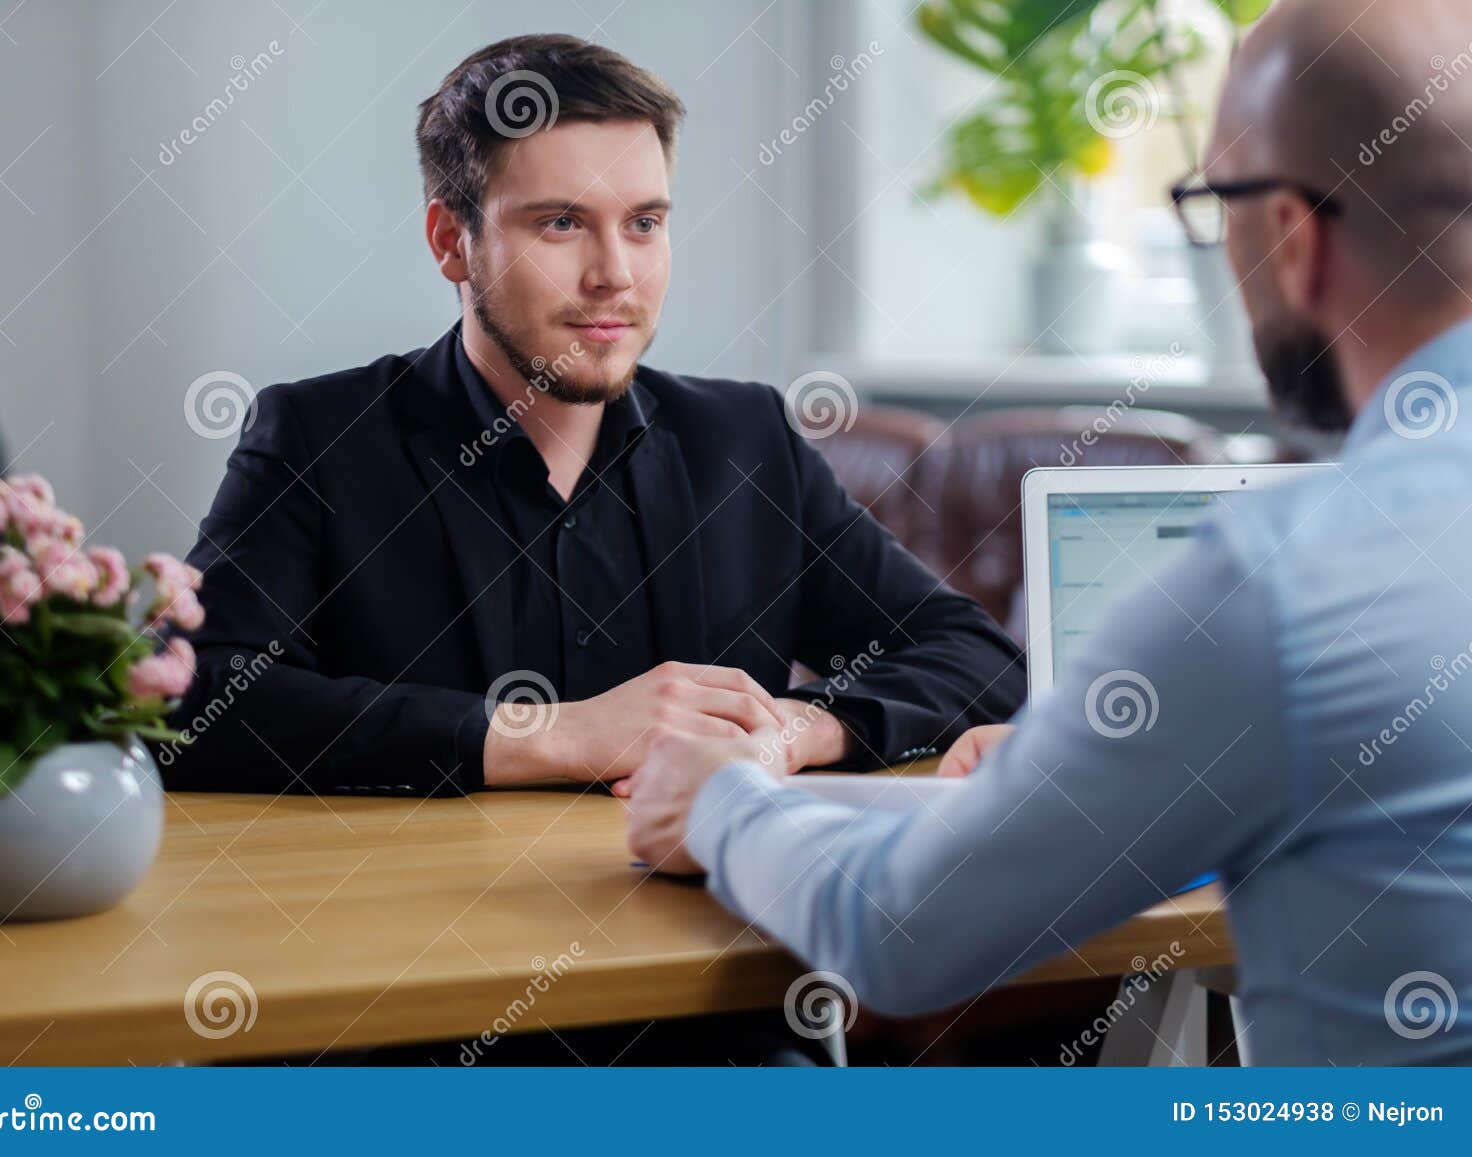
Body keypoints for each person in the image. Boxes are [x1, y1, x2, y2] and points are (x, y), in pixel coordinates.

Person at [625, 0, 1472, 1065]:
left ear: (1294, 241)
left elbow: (898, 936)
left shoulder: (1287, 581)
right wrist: (1081, 771)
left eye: (1215, 205)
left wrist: (721, 800)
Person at [163, 34, 1024, 799]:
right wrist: (555, 734)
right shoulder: (321, 436)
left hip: (705, 935)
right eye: (563, 223)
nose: (615, 273)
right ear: (450, 242)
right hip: (428, 942)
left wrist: (796, 732)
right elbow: (193, 695)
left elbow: (977, 660)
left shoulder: (746, 441)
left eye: (644, 222)